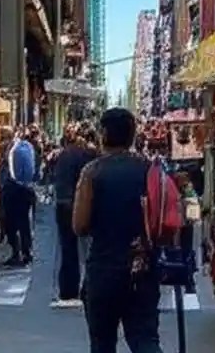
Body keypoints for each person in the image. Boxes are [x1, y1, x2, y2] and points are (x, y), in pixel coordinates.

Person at [73, 108, 161, 353]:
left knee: (102, 344)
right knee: (145, 339)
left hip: (104, 269)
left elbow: (79, 225)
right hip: (142, 267)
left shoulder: (92, 172)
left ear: (103, 134)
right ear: (132, 136)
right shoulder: (149, 169)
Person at [50, 124, 97, 308]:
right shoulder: (89, 155)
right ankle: (87, 288)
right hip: (80, 203)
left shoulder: (63, 154)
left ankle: (67, 289)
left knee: (67, 249)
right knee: (88, 249)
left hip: (62, 203)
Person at [0, 126, 37, 267]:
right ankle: (26, 253)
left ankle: (17, 254)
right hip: (26, 189)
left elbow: (12, 173)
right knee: (24, 223)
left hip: (14, 190)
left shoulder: (13, 150)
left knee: (12, 224)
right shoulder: (26, 146)